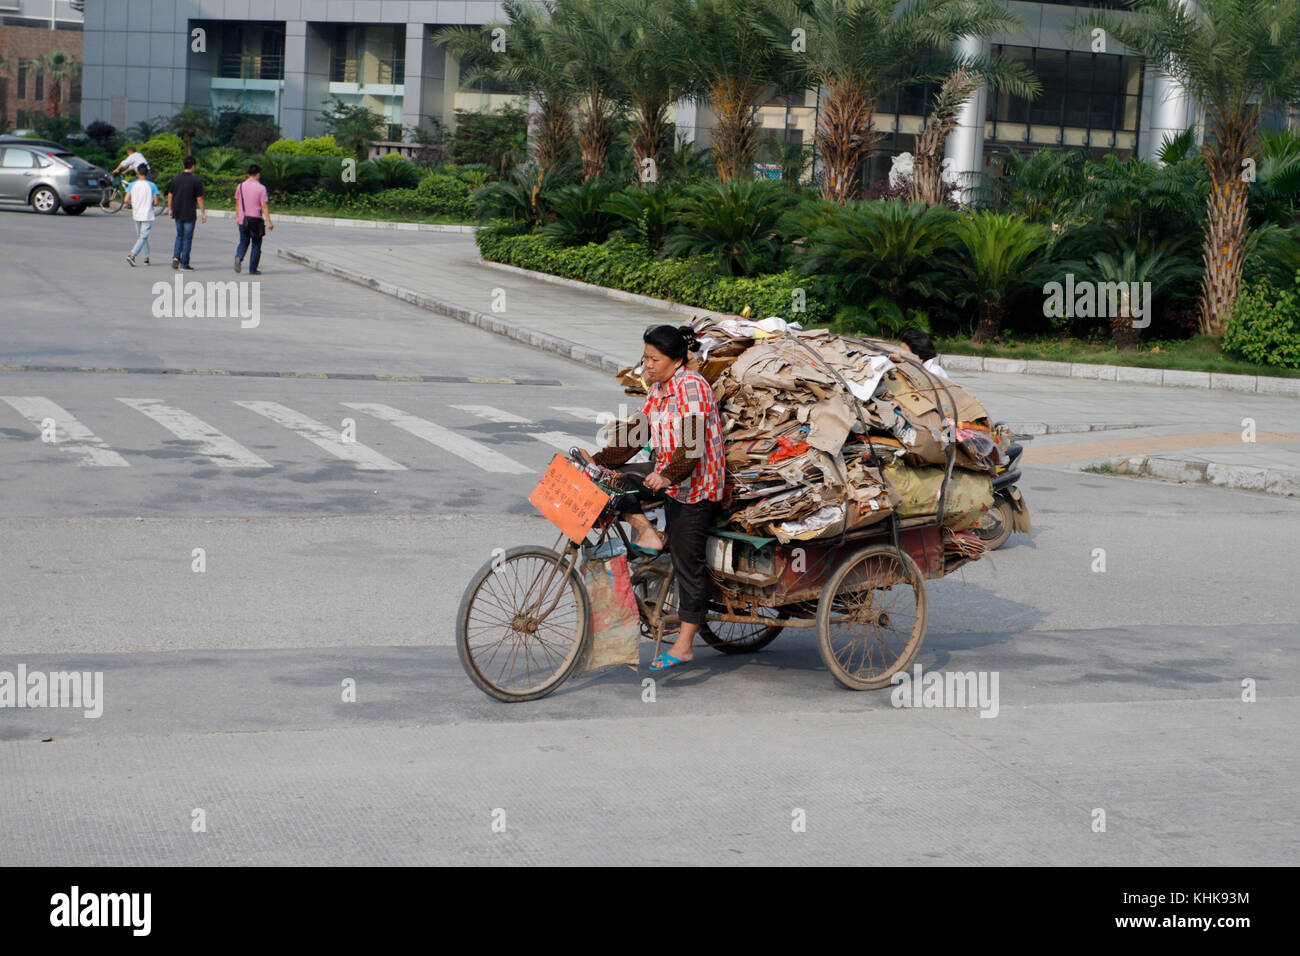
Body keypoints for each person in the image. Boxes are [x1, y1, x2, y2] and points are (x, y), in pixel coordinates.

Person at [586, 325, 727, 672]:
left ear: (676, 360)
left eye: (654, 358)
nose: (647, 364)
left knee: (687, 562)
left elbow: (692, 447)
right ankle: (648, 534)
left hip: (696, 487)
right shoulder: (660, 389)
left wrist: (667, 476)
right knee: (611, 483)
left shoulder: (692, 387)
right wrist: (599, 460)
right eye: (645, 357)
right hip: (667, 473)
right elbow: (638, 433)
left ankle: (685, 645)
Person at [166, 155, 206, 271]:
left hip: (177, 211)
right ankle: (184, 263)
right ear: (193, 166)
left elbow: (170, 195)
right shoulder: (196, 181)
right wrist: (203, 213)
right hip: (189, 213)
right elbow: (199, 198)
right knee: (187, 238)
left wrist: (170, 209)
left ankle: (175, 257)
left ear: (184, 165)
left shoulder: (176, 179)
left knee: (179, 236)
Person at [233, 164, 273, 275]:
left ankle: (239, 257)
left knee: (243, 242)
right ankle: (253, 269)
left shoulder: (240, 186)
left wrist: (237, 217)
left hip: (243, 219)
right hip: (256, 219)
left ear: (248, 174)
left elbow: (237, 203)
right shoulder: (261, 188)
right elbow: (264, 206)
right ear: (258, 174)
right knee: (256, 244)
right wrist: (269, 221)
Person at [124, 164, 157, 267]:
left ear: (137, 173)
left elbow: (126, 200)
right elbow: (155, 201)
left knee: (141, 237)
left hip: (136, 214)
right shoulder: (151, 185)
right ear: (147, 174)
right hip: (147, 214)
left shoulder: (132, 185)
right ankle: (132, 255)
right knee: (143, 236)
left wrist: (133, 201)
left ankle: (146, 258)